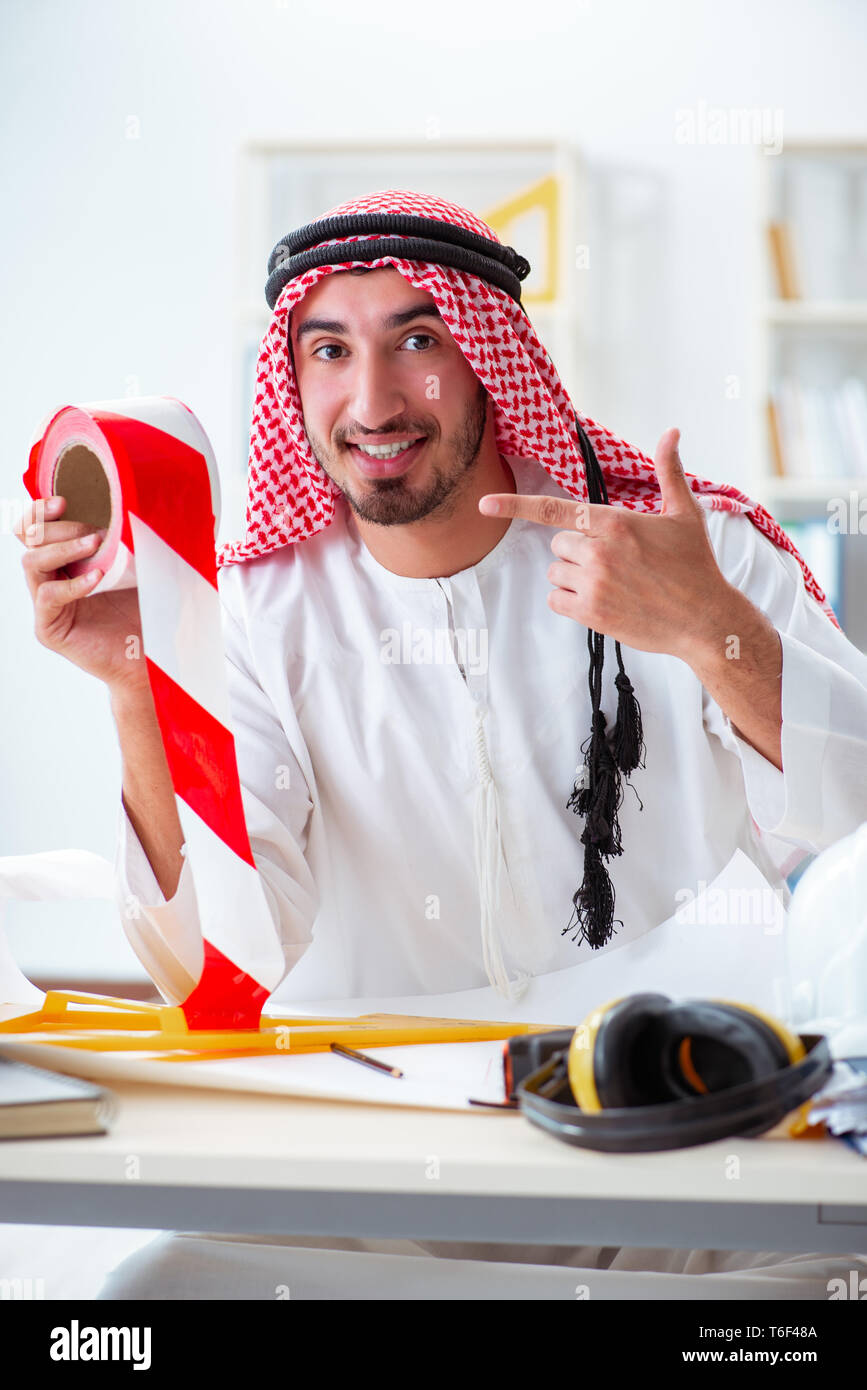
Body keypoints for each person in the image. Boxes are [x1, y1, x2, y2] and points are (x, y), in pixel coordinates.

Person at [17, 189, 867, 1299]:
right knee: (149, 1294)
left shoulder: (683, 553)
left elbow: (855, 828)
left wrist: (709, 630)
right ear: (294, 375)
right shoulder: (255, 615)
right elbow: (221, 967)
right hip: (382, 1192)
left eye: (417, 337)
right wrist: (139, 682)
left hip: (689, 1156)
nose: (371, 399)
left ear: (486, 355)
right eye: (330, 349)